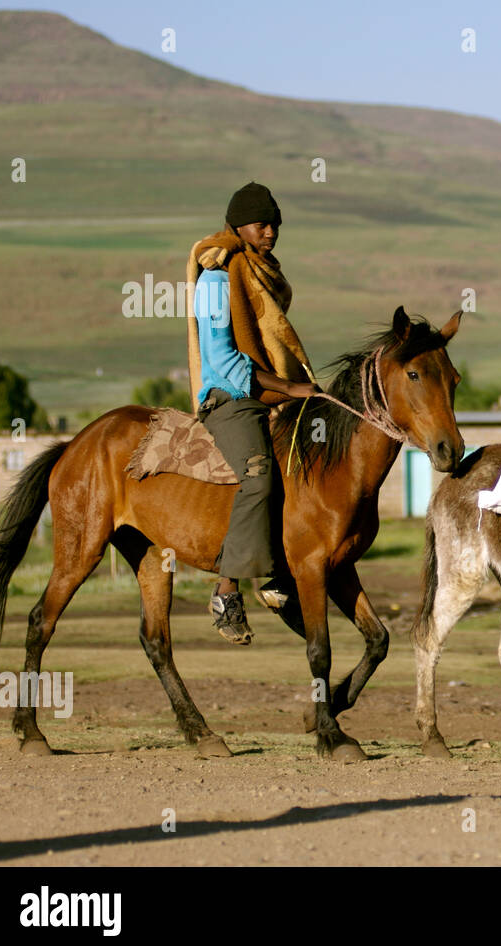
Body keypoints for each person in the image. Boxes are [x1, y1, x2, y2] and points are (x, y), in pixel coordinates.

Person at [187, 182, 320, 644]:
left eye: (276, 224)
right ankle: (227, 591)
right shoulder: (215, 281)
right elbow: (222, 360)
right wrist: (286, 387)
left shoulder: (260, 274)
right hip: (228, 397)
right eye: (262, 224)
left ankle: (277, 574)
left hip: (263, 394)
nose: (271, 232)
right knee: (259, 475)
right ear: (237, 225)